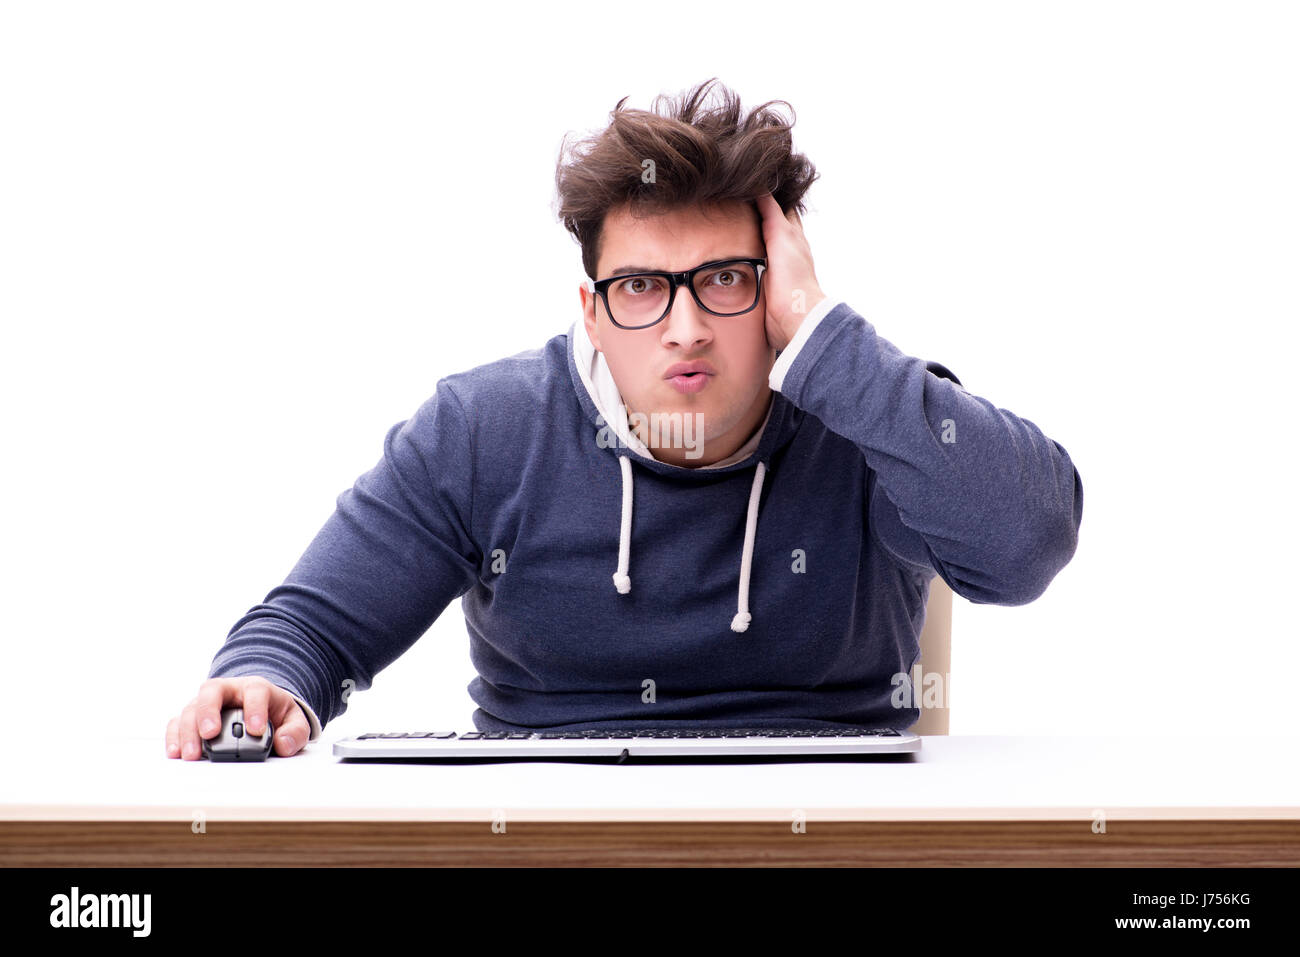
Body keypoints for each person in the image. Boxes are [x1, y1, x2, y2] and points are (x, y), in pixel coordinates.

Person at [166, 78, 1083, 760]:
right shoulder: (485, 429)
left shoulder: (870, 412)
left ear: (781, 288)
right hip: (539, 843)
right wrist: (267, 681)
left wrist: (824, 341)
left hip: (824, 841)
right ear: (594, 308)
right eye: (642, 287)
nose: (685, 329)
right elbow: (308, 631)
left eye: (725, 280)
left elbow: (1030, 542)